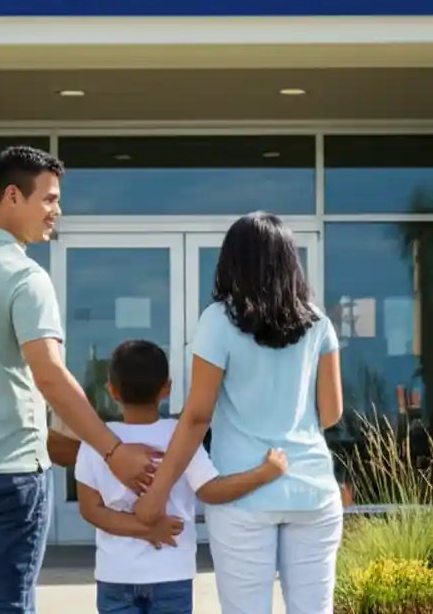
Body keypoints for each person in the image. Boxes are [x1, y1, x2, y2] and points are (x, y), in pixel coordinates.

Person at [0, 145, 161, 614]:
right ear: (11, 196)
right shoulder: (26, 277)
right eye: (48, 199)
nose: (57, 211)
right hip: (11, 473)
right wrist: (112, 450)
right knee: (10, 602)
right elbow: (49, 375)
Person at [133, 211, 345, 614]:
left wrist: (157, 492)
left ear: (232, 260)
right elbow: (331, 413)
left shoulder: (219, 321)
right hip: (313, 490)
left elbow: (198, 416)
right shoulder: (318, 323)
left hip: (242, 495)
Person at [74, 340, 288, 614]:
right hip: (171, 574)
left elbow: (90, 510)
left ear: (112, 390)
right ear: (167, 388)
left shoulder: (98, 442)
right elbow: (210, 490)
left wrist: (144, 528)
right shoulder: (179, 436)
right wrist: (265, 472)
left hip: (115, 575)